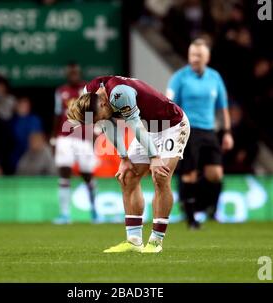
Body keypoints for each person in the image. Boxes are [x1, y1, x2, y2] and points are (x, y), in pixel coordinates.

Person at [67, 75, 190, 253]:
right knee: (127, 177)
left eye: (97, 118)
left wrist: (155, 157)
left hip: (172, 125)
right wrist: (124, 159)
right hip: (148, 127)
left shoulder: (119, 94)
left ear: (103, 104)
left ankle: (156, 241)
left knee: (160, 177)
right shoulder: (89, 95)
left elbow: (136, 128)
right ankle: (133, 240)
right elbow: (107, 126)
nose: (97, 122)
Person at [167, 38, 233, 229]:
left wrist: (227, 132)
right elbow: (170, 105)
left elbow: (223, 107)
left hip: (209, 131)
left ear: (207, 57)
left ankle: (210, 209)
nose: (195, 59)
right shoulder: (180, 77)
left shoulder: (215, 78)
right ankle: (191, 219)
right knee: (189, 174)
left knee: (215, 174)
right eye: (192, 55)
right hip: (188, 130)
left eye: (199, 55)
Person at [51, 63, 98, 224]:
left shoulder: (87, 90)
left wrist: (94, 136)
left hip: (83, 137)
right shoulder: (61, 91)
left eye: (75, 72)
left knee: (87, 175)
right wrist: (53, 138)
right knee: (64, 172)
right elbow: (57, 114)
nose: (73, 75)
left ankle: (95, 211)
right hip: (64, 137)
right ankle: (64, 214)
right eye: (70, 72)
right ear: (67, 74)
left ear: (79, 73)